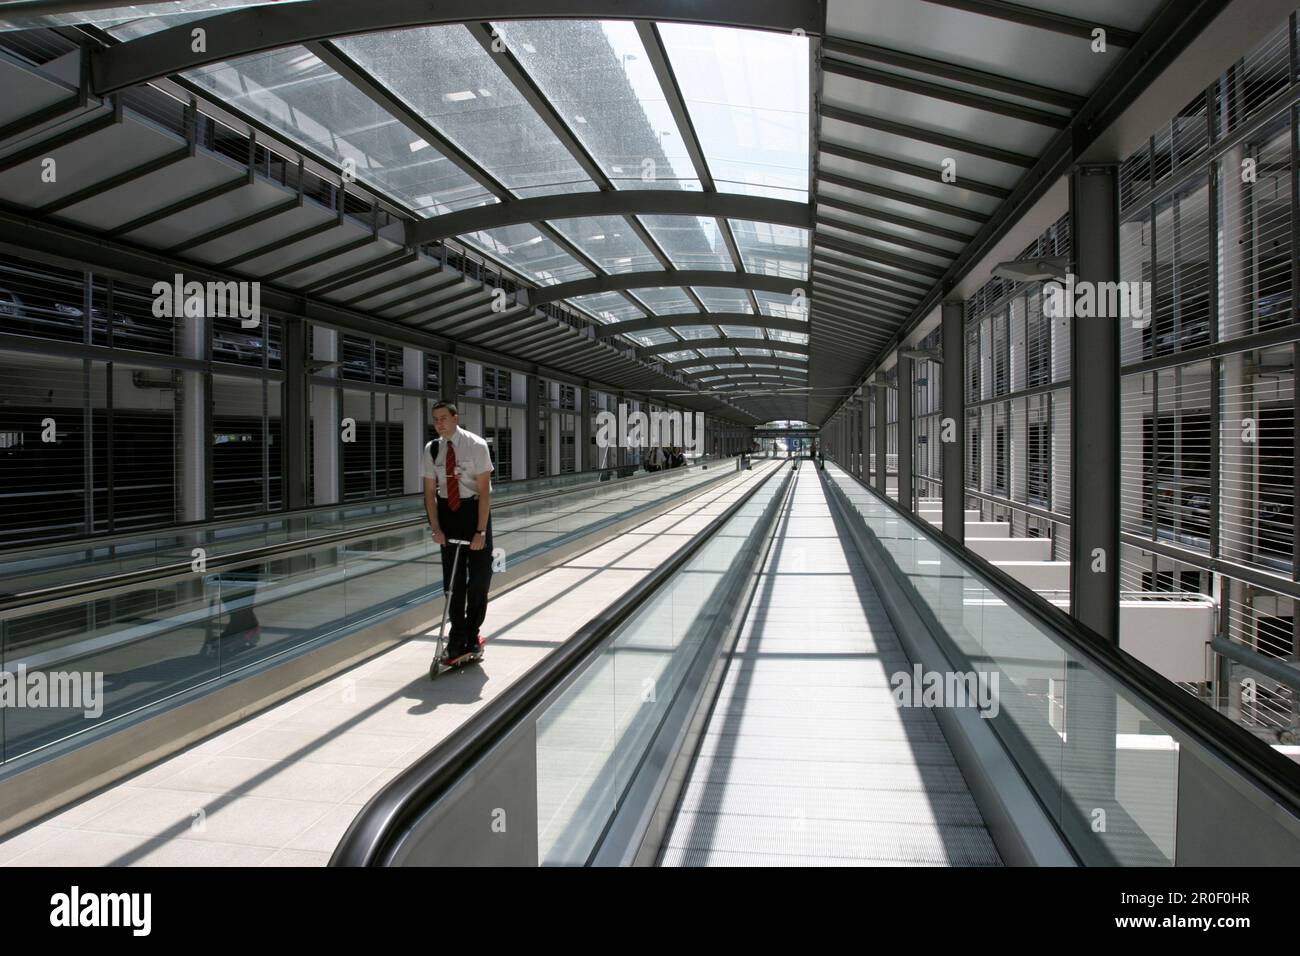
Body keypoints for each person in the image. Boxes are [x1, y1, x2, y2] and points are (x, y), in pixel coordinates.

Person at [423, 401, 494, 660]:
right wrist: (436, 528)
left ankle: (473, 632)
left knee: (478, 580)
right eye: (435, 419)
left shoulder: (476, 445)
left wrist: (481, 531)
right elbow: (430, 493)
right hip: (448, 514)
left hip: (474, 513)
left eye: (443, 418)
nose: (439, 423)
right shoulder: (432, 450)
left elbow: (484, 491)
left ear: (455, 418)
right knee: (452, 584)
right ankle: (458, 635)